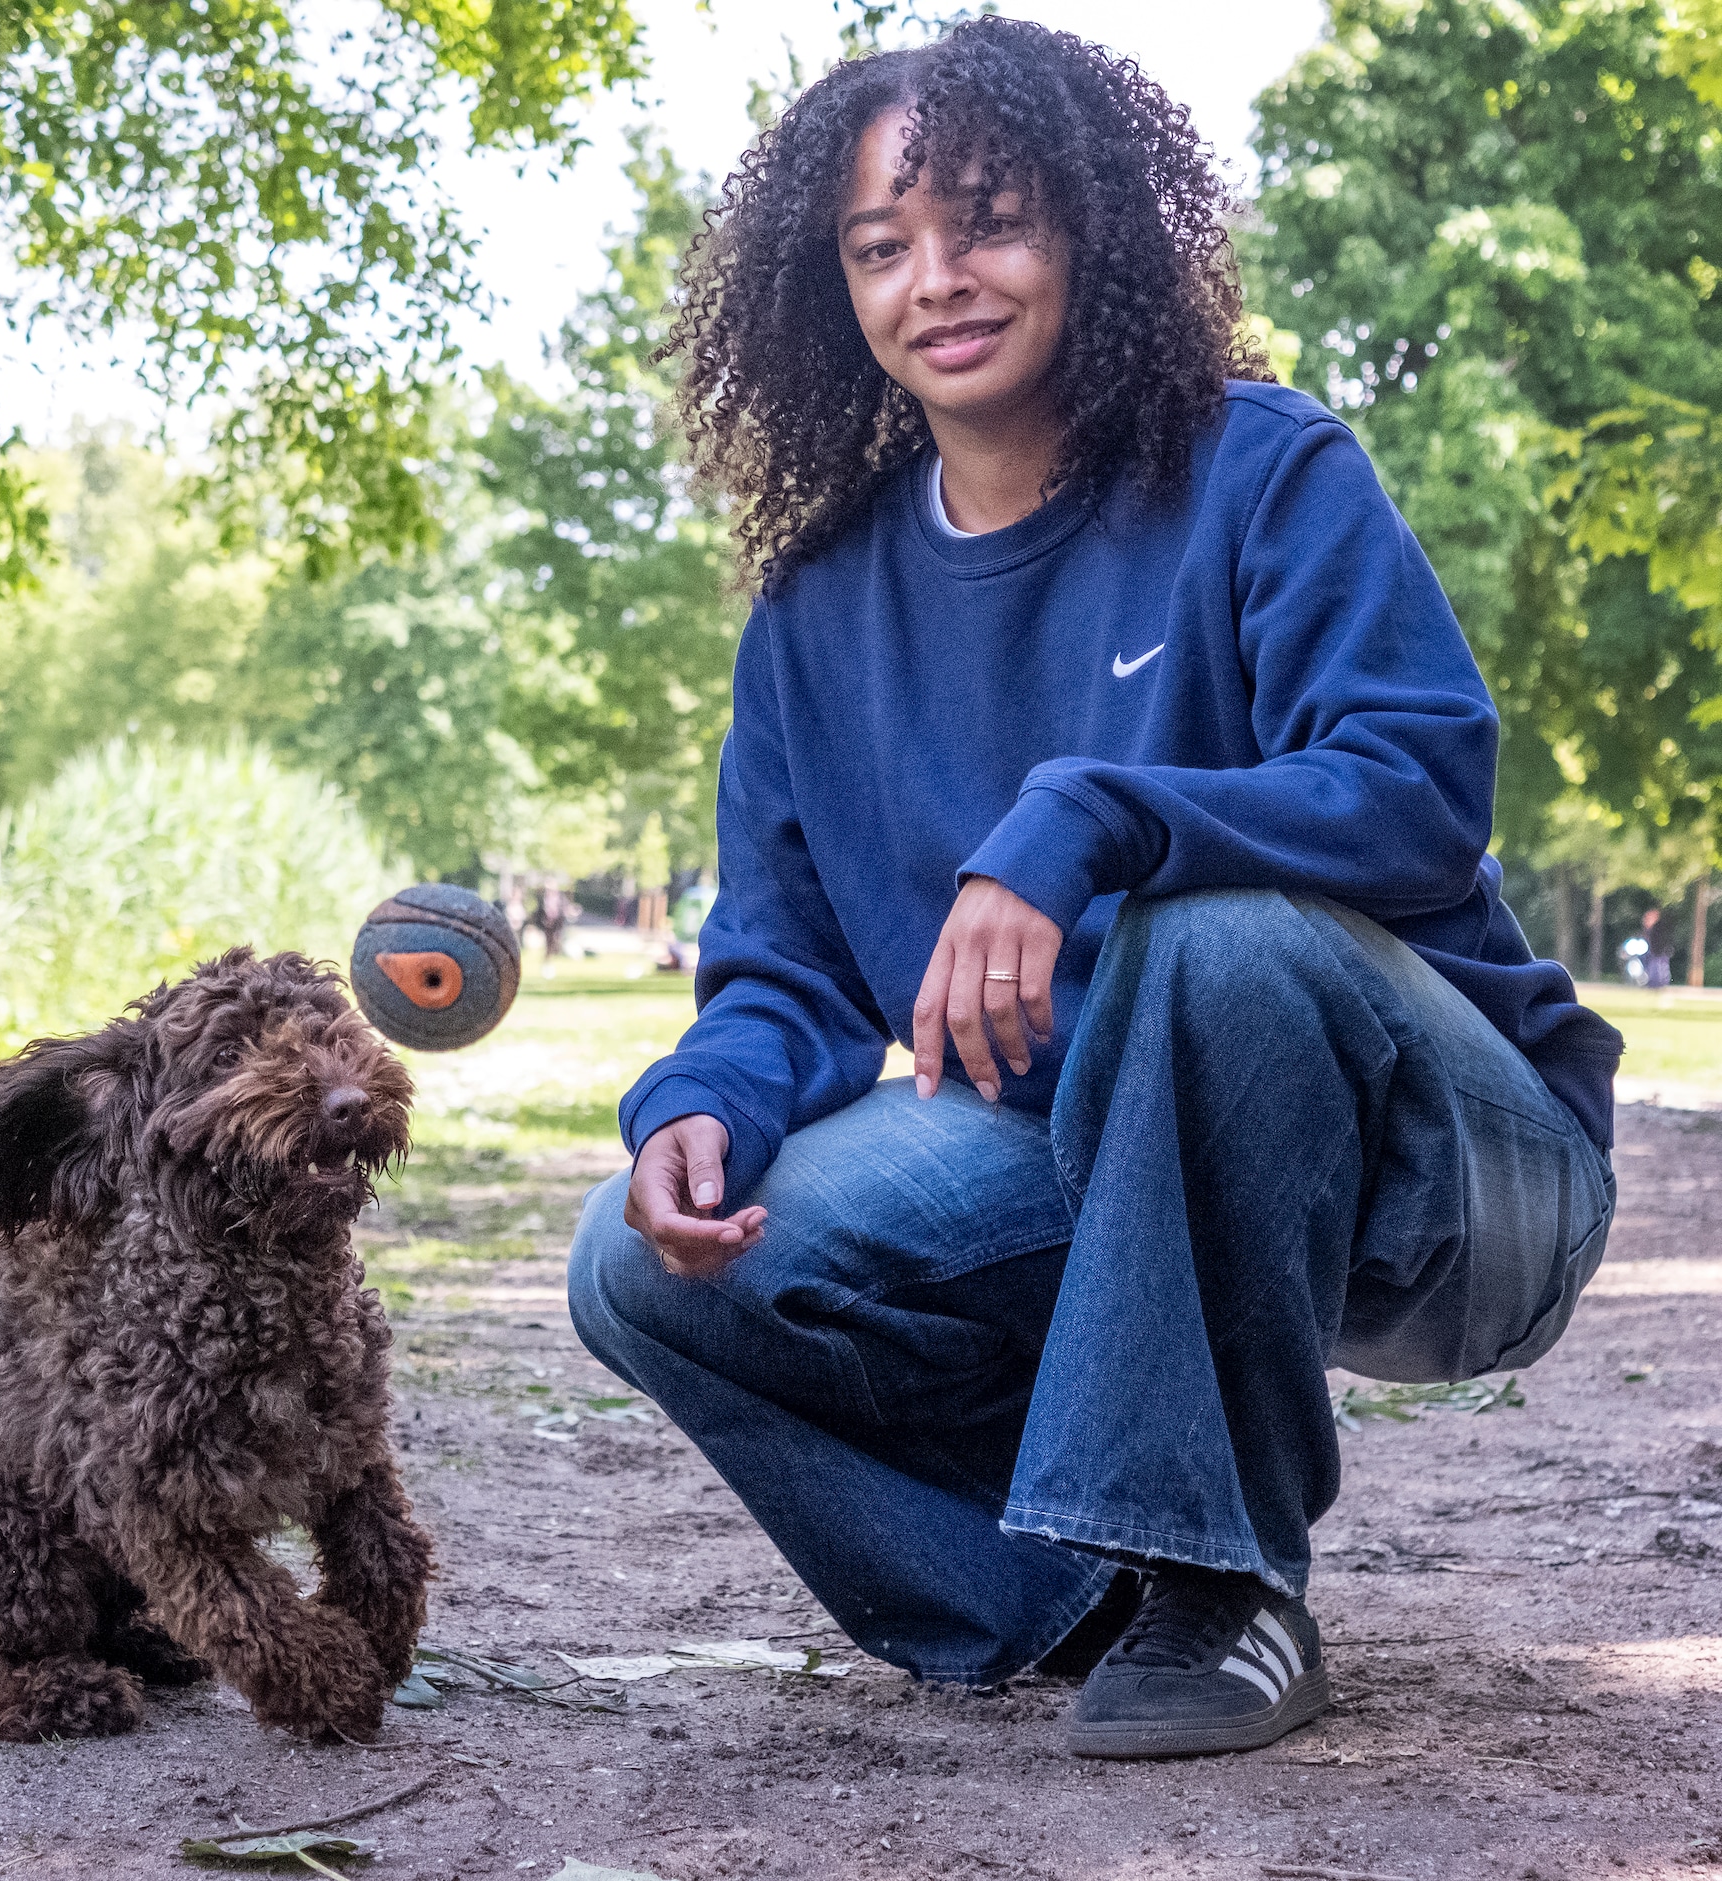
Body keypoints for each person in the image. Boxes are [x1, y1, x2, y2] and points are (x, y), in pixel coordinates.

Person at [565, 19, 1623, 1761]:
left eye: (987, 220)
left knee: (1213, 947)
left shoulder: (1266, 469)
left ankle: (1226, 1574)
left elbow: (1419, 792)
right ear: (830, 288)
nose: (936, 281)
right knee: (641, 1266)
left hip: (1443, 1173)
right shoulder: (816, 612)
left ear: (1095, 229)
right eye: (879, 248)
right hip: (1081, 1174)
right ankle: (1072, 1598)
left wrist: (1098, 819)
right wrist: (705, 1098)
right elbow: (785, 971)